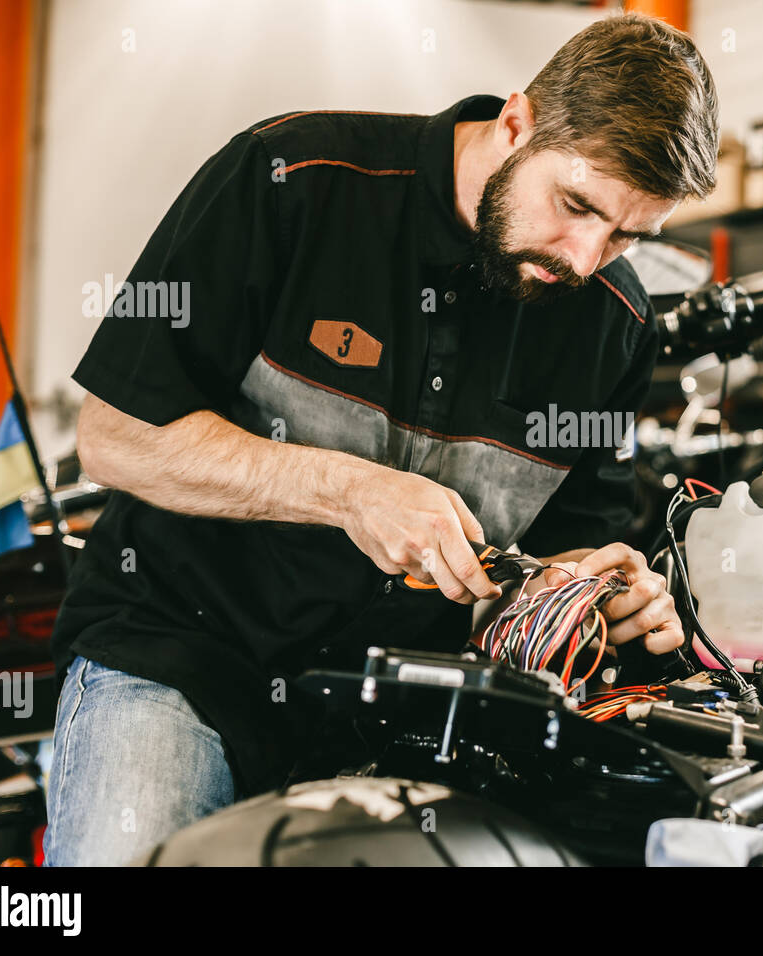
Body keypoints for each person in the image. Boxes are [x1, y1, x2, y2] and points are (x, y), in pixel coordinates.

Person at [43, 11, 718, 865]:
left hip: (409, 715)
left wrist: (599, 594)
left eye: (626, 234)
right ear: (516, 123)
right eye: (577, 205)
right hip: (181, 659)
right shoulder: (291, 180)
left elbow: (564, 553)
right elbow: (115, 435)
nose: (585, 257)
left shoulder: (616, 325)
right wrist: (348, 490)